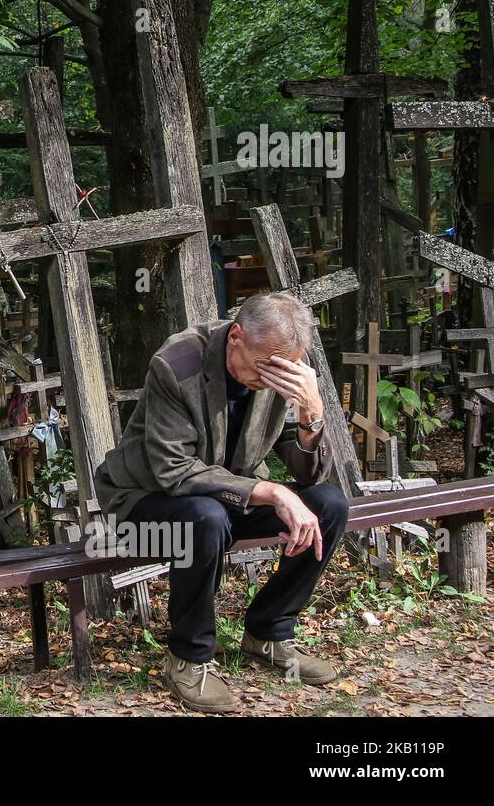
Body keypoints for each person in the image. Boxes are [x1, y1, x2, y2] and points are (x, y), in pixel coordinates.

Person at [94, 292, 350, 713]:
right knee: (206, 517)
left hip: (226, 494)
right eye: (263, 368)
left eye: (282, 372)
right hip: (143, 501)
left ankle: (269, 631)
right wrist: (270, 491)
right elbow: (174, 471)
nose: (271, 381)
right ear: (236, 336)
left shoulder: (281, 371)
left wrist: (311, 412)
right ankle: (188, 658)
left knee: (329, 505)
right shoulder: (176, 365)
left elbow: (309, 473)